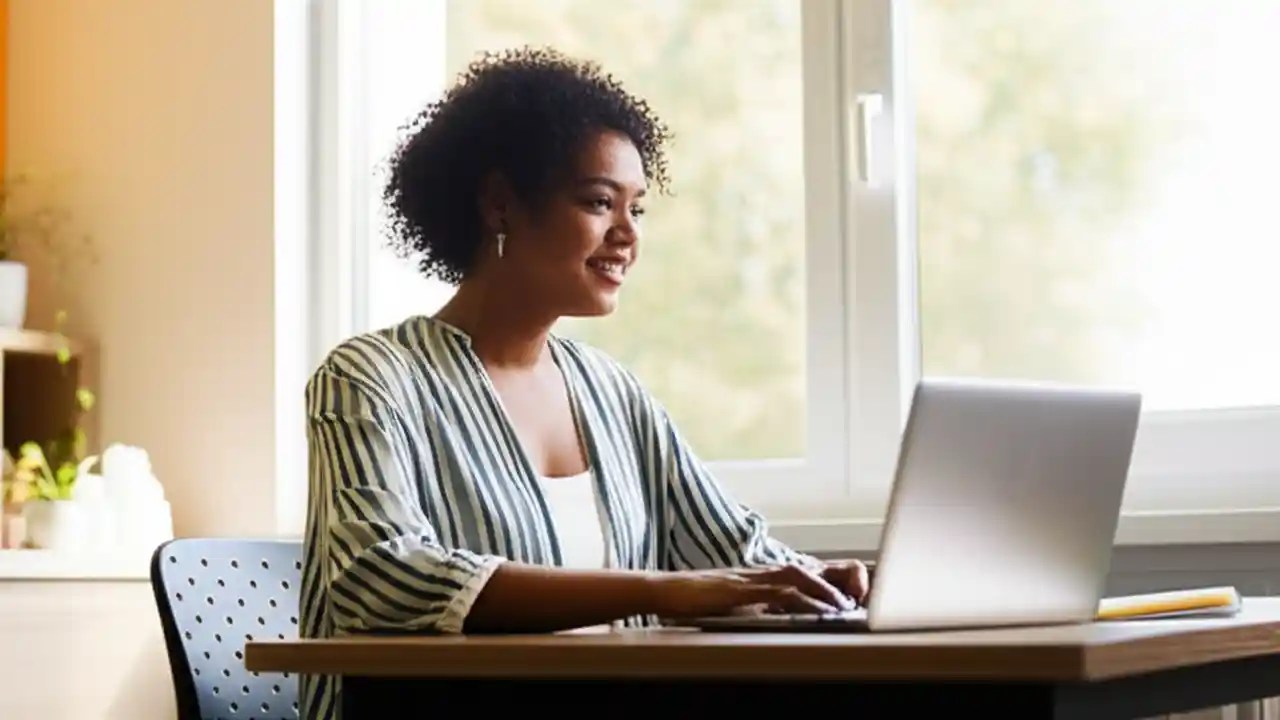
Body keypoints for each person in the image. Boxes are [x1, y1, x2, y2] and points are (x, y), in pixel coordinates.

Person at [300, 46, 871, 718]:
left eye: (638, 210)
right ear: (500, 204)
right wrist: (658, 591)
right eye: (600, 202)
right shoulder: (368, 379)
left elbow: (733, 554)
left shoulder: (612, 393)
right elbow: (382, 578)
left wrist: (822, 580)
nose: (627, 235)